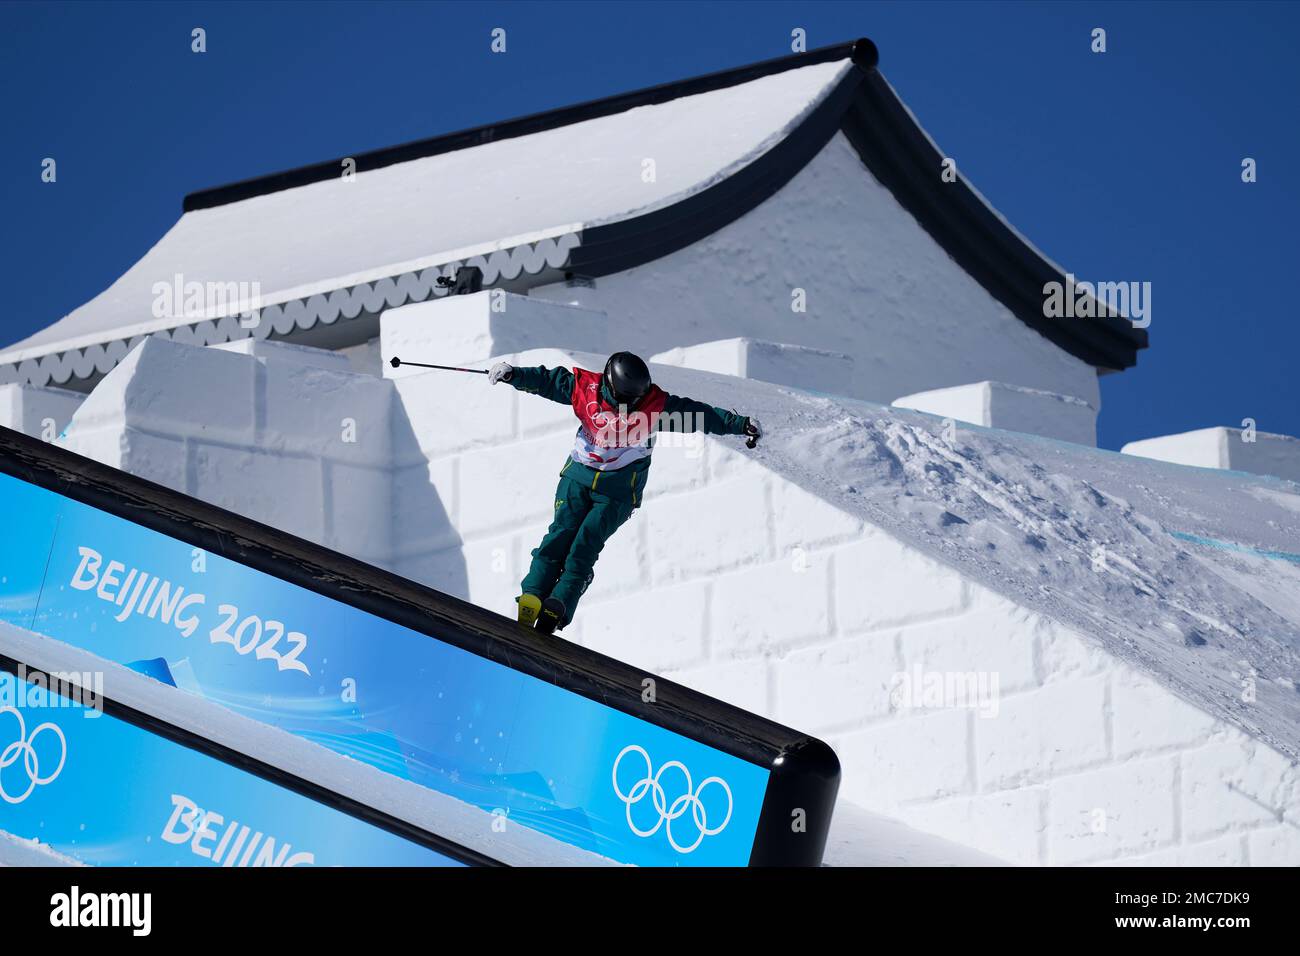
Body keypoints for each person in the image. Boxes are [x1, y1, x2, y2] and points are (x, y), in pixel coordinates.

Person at [488, 351, 762, 634]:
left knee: (583, 546)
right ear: (610, 384)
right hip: (579, 478)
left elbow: (698, 415)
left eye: (634, 400)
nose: (627, 407)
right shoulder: (586, 391)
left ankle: (558, 602)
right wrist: (513, 375)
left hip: (616, 492)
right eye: (624, 399)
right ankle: (533, 593)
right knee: (560, 535)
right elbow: (549, 381)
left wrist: (739, 424)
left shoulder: (653, 409)